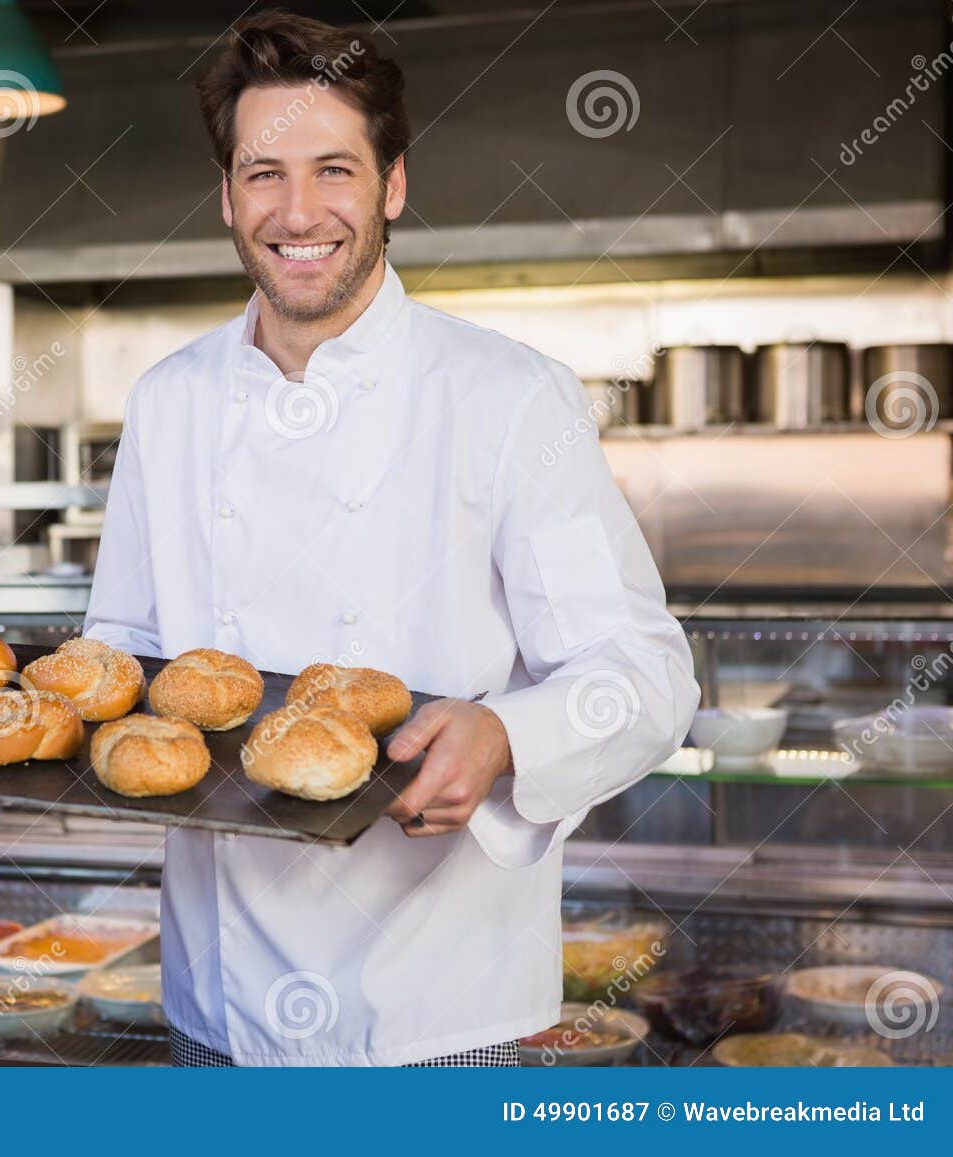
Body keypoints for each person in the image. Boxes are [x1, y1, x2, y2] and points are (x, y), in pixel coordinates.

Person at [82, 10, 697, 1067]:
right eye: (262, 172)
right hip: (214, 1012)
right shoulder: (167, 402)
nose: (298, 209)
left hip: (442, 1019)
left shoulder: (508, 396)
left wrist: (505, 735)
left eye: (334, 168)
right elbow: (124, 658)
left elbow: (643, 674)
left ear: (391, 185)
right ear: (228, 195)